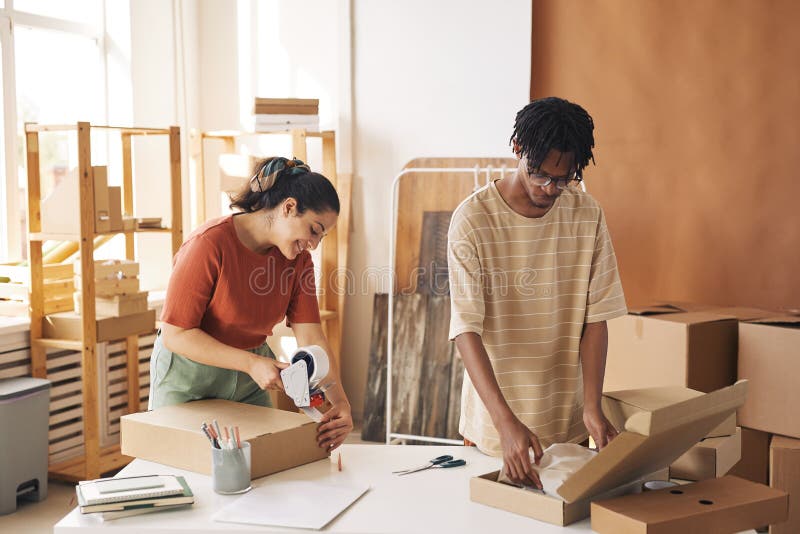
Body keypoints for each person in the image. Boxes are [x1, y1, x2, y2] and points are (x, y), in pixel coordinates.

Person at [447, 97, 627, 488]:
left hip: (569, 426)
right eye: (539, 174)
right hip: (496, 433)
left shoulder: (588, 214)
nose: (549, 188)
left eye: (563, 179)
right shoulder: (473, 220)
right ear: (517, 149)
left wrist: (593, 408)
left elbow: (595, 318)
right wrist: (505, 422)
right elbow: (466, 329)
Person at [149, 157, 353, 452]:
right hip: (189, 375)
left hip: (250, 377)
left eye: (322, 236)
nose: (314, 244)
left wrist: (341, 404)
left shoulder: (298, 263)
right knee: (185, 467)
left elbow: (312, 339)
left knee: (258, 465)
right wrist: (251, 364)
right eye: (314, 230)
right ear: (289, 207)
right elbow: (175, 334)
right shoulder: (208, 245)